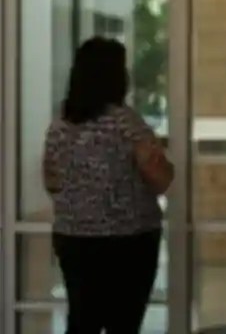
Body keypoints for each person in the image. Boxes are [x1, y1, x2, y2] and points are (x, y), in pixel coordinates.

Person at [43, 37, 173, 334]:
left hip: (73, 239)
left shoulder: (60, 127)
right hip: (128, 240)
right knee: (123, 324)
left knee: (82, 322)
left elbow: (51, 182)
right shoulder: (127, 123)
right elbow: (160, 179)